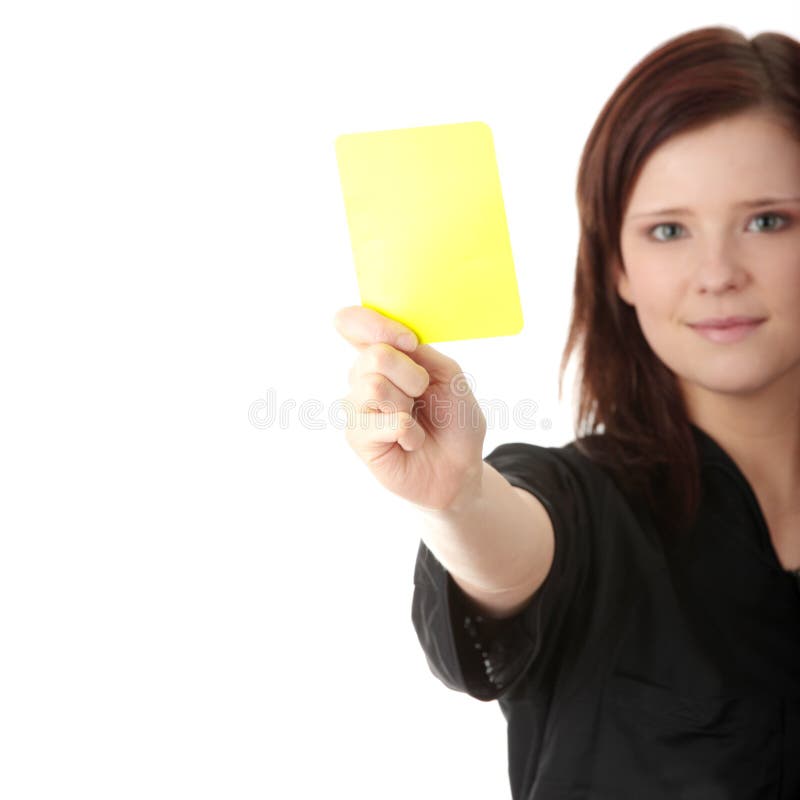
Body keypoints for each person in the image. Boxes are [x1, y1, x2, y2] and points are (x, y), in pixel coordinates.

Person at [333, 25, 800, 800]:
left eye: (768, 221)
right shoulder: (585, 504)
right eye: (669, 230)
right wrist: (459, 499)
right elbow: (515, 547)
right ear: (617, 265)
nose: (718, 273)